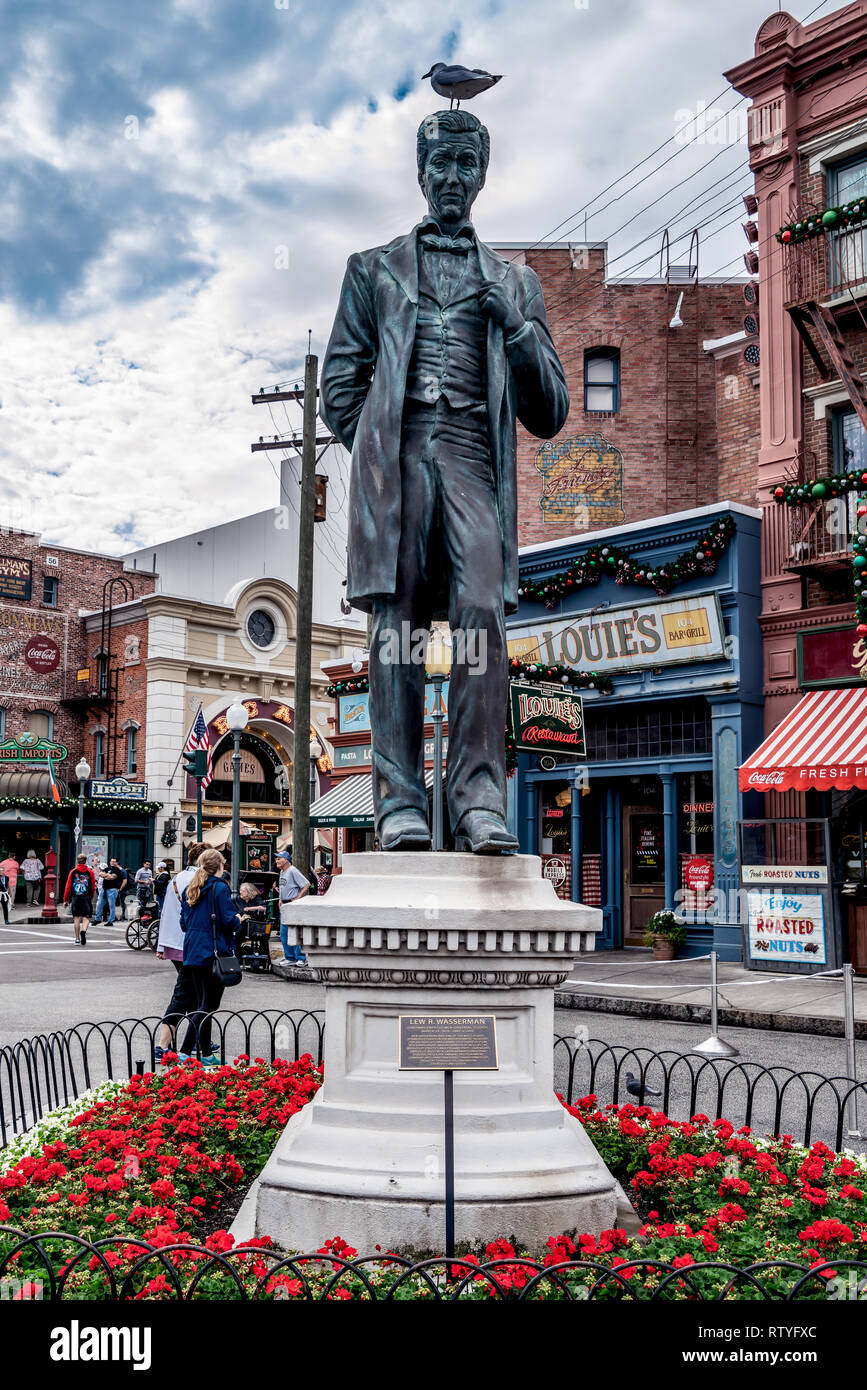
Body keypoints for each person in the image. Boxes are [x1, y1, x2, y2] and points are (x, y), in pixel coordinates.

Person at [321, 108, 567, 854]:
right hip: (395, 462)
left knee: (482, 622)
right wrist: (381, 433)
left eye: (466, 164)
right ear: (420, 171)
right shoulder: (372, 269)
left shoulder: (514, 282)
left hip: (471, 461)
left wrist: (517, 330)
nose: (452, 177)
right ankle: (397, 802)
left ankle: (476, 799)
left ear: (481, 174)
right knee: (394, 625)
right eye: (440, 164)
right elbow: (339, 385)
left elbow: (550, 409)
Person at [178, 848, 242, 1066]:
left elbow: (184, 924)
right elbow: (228, 920)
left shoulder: (191, 888)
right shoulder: (220, 888)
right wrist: (239, 919)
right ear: (220, 866)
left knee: (201, 1003)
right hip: (212, 952)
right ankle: (185, 1051)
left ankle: (205, 1053)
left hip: (192, 951)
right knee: (209, 1005)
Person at [153, 842, 205, 1064]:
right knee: (184, 993)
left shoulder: (176, 878)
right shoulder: (198, 880)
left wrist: (161, 945)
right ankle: (163, 1045)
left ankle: (198, 1038)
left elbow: (166, 912)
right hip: (189, 943)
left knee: (192, 992)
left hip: (173, 941)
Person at [275, 849, 309, 966]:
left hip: (292, 904)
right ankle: (290, 957)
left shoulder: (293, 870)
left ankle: (301, 957)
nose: (277, 860)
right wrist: (280, 899)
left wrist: (298, 898)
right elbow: (284, 887)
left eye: (279, 858)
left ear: (286, 860)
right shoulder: (282, 872)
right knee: (284, 932)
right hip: (285, 904)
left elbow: (306, 884)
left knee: (295, 931)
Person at [63, 853, 96, 946]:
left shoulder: (73, 872)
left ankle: (77, 939)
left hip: (75, 898)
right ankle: (84, 931)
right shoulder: (90, 872)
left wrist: (65, 899)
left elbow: (68, 886)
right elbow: (93, 886)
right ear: (85, 861)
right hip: (86, 897)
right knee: (86, 918)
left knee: (76, 918)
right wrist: (91, 896)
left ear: (77, 861)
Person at [94, 860, 123, 925]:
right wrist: (108, 875)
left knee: (111, 906)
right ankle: (97, 919)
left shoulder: (117, 870)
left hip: (112, 890)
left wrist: (106, 875)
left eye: (114, 862)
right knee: (99, 904)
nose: (112, 863)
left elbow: (112, 877)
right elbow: (100, 874)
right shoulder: (107, 869)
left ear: (116, 863)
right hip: (104, 890)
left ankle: (110, 921)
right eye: (111, 861)